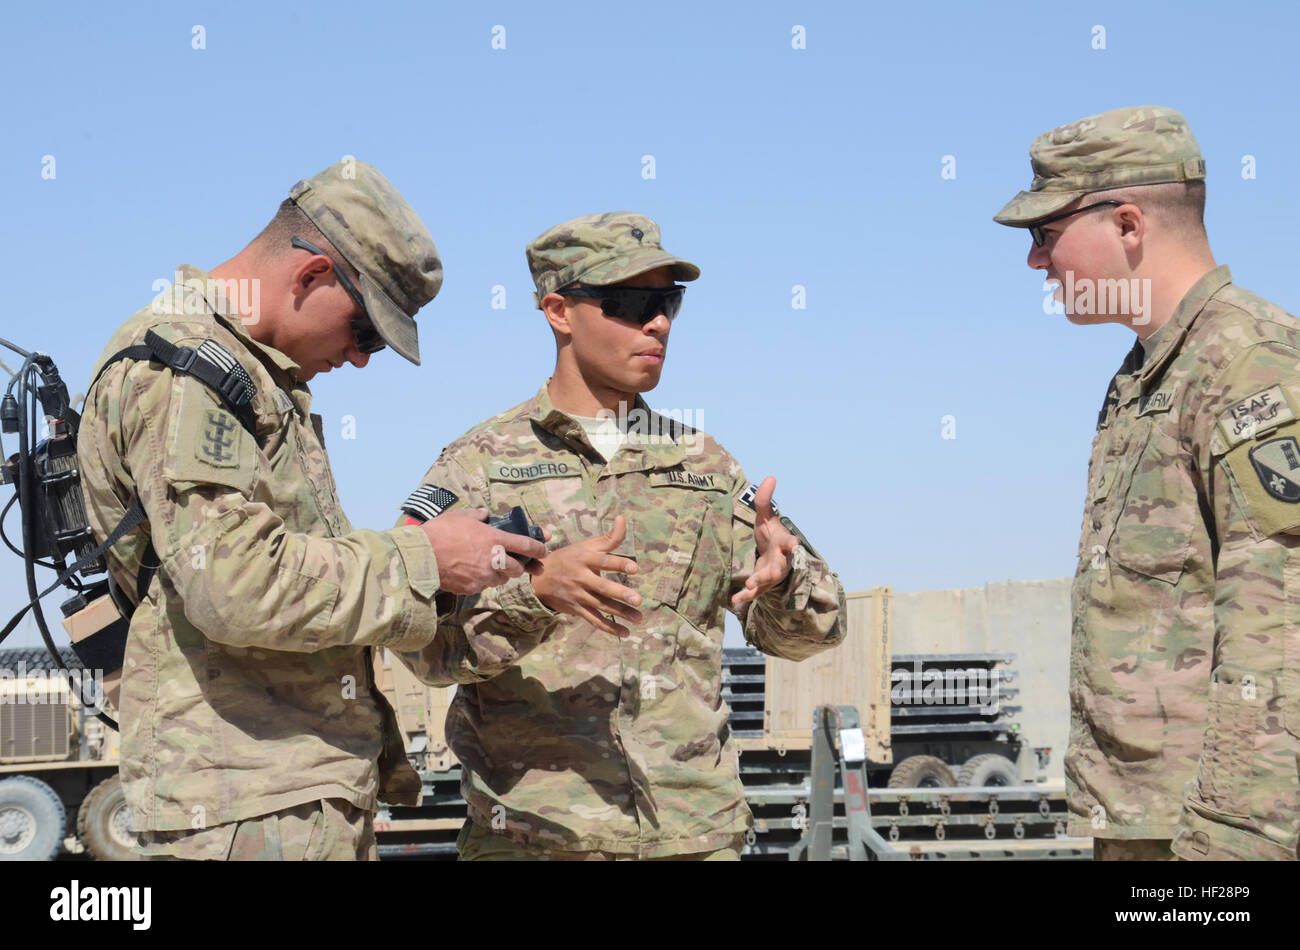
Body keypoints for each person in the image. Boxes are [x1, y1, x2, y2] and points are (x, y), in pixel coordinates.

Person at [77, 159, 547, 860]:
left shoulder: (247, 379)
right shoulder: (187, 376)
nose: (360, 360)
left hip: (280, 788)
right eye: (366, 332)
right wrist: (425, 558)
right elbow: (234, 585)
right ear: (311, 275)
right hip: (248, 799)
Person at [394, 211, 846, 860]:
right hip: (537, 840)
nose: (657, 323)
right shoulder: (478, 466)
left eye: (668, 303)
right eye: (631, 303)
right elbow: (417, 649)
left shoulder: (706, 466)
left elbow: (814, 633)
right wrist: (538, 597)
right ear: (558, 311)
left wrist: (786, 583)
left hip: (695, 838)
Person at [995, 106, 1300, 860]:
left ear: (1128, 224)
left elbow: (1280, 633)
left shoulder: (1248, 364)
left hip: (1216, 836)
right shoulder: (1144, 377)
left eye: (1045, 233)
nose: (1036, 261)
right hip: (1146, 823)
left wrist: (1233, 846)